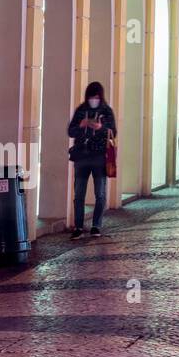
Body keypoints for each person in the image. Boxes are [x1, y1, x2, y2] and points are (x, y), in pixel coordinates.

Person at [67, 81, 117, 239]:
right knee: (79, 194)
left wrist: (100, 128)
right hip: (81, 157)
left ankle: (96, 225)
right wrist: (81, 126)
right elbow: (70, 131)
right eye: (90, 97)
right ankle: (79, 227)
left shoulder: (106, 111)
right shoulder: (81, 110)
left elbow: (113, 132)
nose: (93, 100)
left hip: (99, 157)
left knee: (100, 193)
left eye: (96, 97)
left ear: (100, 97)